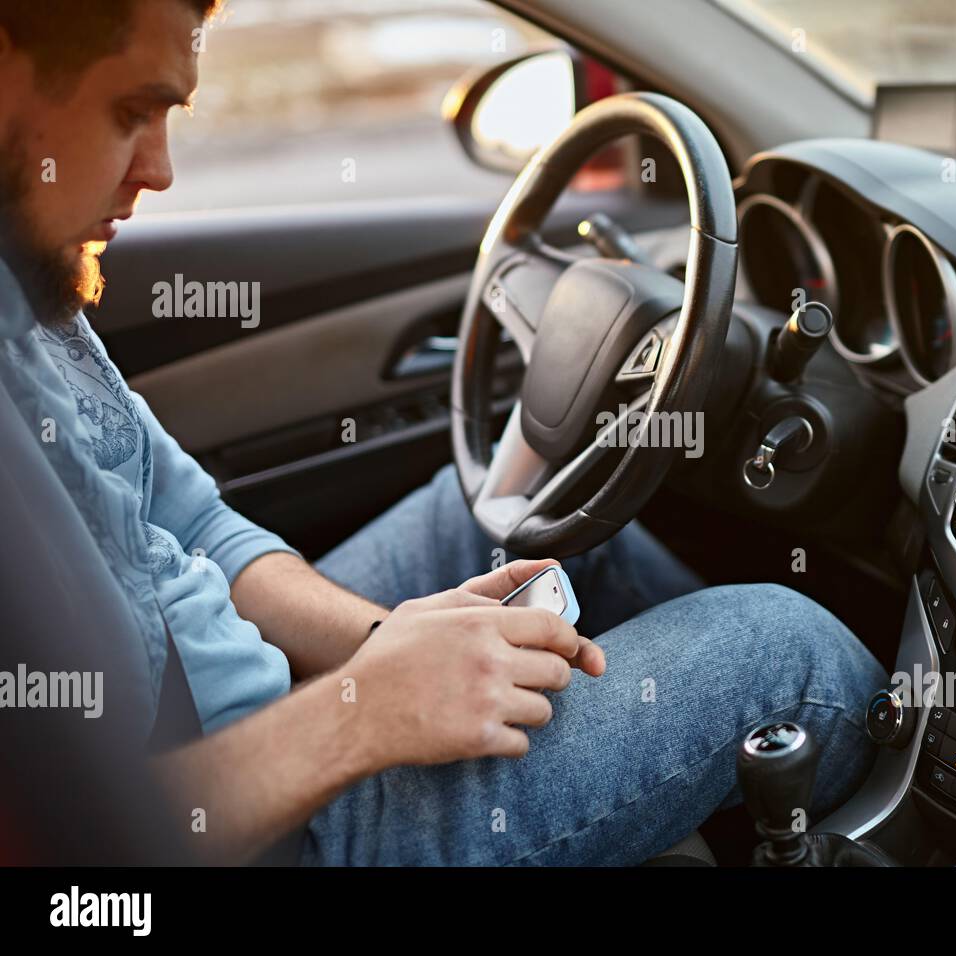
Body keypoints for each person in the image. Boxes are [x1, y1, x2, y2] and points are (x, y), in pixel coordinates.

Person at [0, 0, 886, 865]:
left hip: (240, 690)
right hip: (270, 825)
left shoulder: (34, 290)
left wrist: (389, 646)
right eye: (130, 111)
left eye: (170, 115)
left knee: (524, 535)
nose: (158, 170)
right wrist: (364, 710)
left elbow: (195, 526)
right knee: (788, 654)